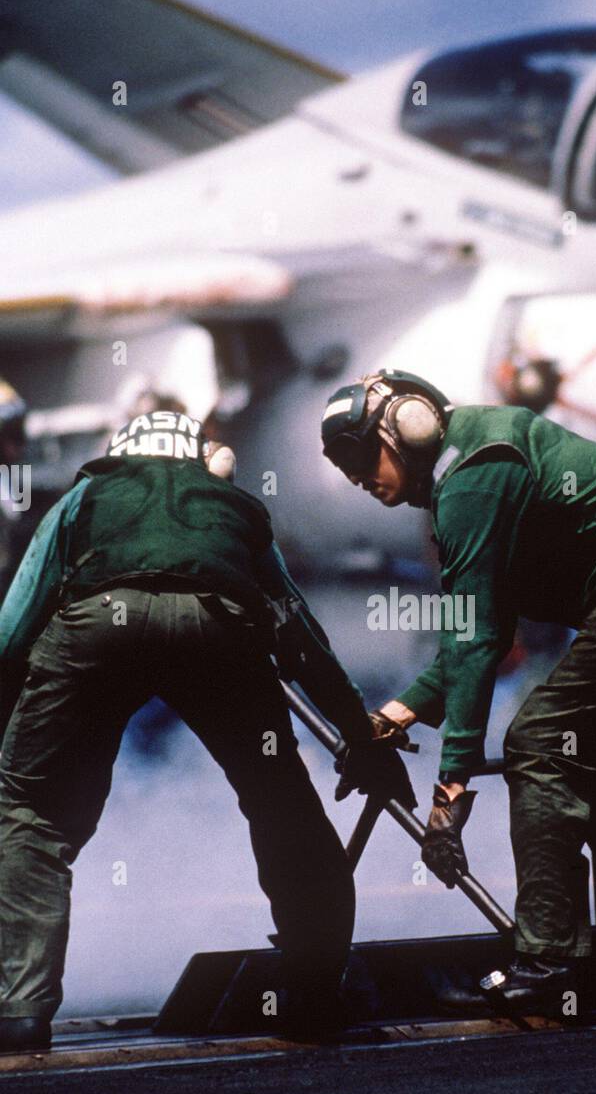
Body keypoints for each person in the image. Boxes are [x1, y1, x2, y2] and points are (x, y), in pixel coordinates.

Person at [321, 368, 596, 1016]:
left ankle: (550, 964)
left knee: (541, 745)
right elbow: (480, 637)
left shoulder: (471, 475)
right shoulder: (470, 467)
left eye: (358, 455)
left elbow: (469, 646)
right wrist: (389, 718)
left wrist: (449, 797)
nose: (356, 477)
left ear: (406, 426)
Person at [0, 407, 413, 1053]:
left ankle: (22, 1011)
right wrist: (361, 739)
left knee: (32, 816)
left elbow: (14, 624)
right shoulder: (231, 503)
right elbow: (299, 631)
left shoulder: (87, 493)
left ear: (121, 453)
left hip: (98, 624)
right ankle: (313, 994)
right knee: (280, 800)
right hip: (218, 625)